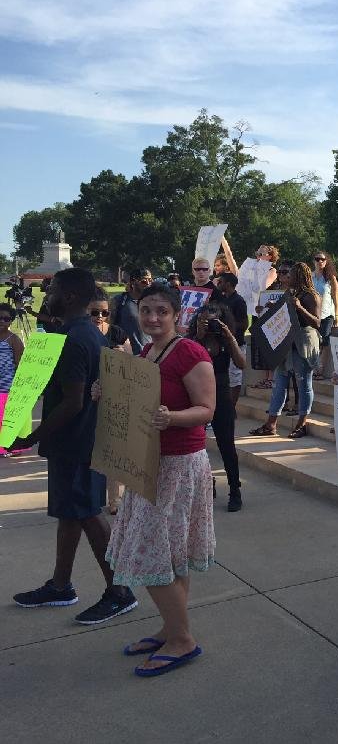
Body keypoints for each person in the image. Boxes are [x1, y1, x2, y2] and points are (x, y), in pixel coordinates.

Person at [12, 268, 139, 624]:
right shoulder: (80, 333)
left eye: (51, 289)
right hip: (76, 440)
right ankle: (61, 585)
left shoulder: (74, 338)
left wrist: (32, 436)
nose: (46, 293)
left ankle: (120, 590)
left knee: (88, 512)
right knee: (70, 512)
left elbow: (73, 402)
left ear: (67, 297)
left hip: (77, 441)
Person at [102, 282, 216, 676]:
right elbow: (140, 405)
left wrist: (172, 418)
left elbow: (206, 409)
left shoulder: (190, 352)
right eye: (146, 310)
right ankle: (171, 628)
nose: (152, 318)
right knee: (169, 554)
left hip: (179, 466)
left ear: (176, 314)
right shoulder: (148, 351)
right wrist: (109, 394)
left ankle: (183, 639)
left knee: (151, 553)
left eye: (161, 311)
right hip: (149, 460)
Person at [252, 262, 321, 439]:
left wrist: (299, 307)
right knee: (279, 383)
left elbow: (317, 322)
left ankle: (302, 422)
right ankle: (271, 423)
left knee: (303, 383)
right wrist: (269, 308)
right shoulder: (290, 293)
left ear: (298, 276)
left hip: (303, 342)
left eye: (290, 275)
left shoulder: (311, 296)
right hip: (286, 343)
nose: (286, 277)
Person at [189, 301, 245, 512]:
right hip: (197, 394)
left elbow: (241, 363)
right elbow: (185, 359)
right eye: (206, 321)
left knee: (227, 445)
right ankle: (206, 485)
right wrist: (198, 336)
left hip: (221, 393)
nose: (211, 326)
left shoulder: (225, 339)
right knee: (196, 446)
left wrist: (230, 337)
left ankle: (235, 490)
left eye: (215, 322)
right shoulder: (194, 340)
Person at [87, 288, 130, 512]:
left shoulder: (117, 333)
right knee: (93, 452)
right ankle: (94, 498)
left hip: (114, 398)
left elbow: (133, 362)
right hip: (86, 400)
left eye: (105, 313)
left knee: (113, 452)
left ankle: (115, 501)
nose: (100, 318)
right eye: (95, 313)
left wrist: (123, 354)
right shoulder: (80, 335)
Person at [213, 272, 248, 410]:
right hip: (222, 345)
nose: (218, 284)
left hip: (236, 343)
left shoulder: (238, 301)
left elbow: (245, 324)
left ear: (228, 284)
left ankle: (231, 408)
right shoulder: (222, 300)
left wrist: (228, 326)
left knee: (235, 377)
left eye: (220, 282)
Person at [248, 244, 281, 391]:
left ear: (270, 257)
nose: (259, 257)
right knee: (261, 345)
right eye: (258, 254)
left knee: (270, 344)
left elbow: (262, 286)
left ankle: (271, 378)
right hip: (258, 312)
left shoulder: (272, 271)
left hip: (269, 313)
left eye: (262, 254)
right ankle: (265, 378)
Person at [0, 303, 25, 457]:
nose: (2, 321)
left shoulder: (13, 339)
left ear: (11, 321)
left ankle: (10, 446)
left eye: (6, 318)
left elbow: (19, 361)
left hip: (7, 384)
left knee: (7, 418)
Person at [110, 268, 152, 355]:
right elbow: (109, 325)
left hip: (149, 355)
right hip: (127, 355)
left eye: (150, 280)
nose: (148, 284)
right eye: (143, 281)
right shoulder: (119, 300)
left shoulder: (154, 302)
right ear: (133, 282)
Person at [312, 251, 338, 380]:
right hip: (313, 315)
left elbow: (335, 297)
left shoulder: (330, 278)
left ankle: (320, 369)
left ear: (326, 262)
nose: (320, 262)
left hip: (327, 313)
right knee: (314, 341)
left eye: (322, 259)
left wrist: (337, 315)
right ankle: (314, 367)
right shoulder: (310, 277)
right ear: (314, 261)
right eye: (317, 259)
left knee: (325, 340)